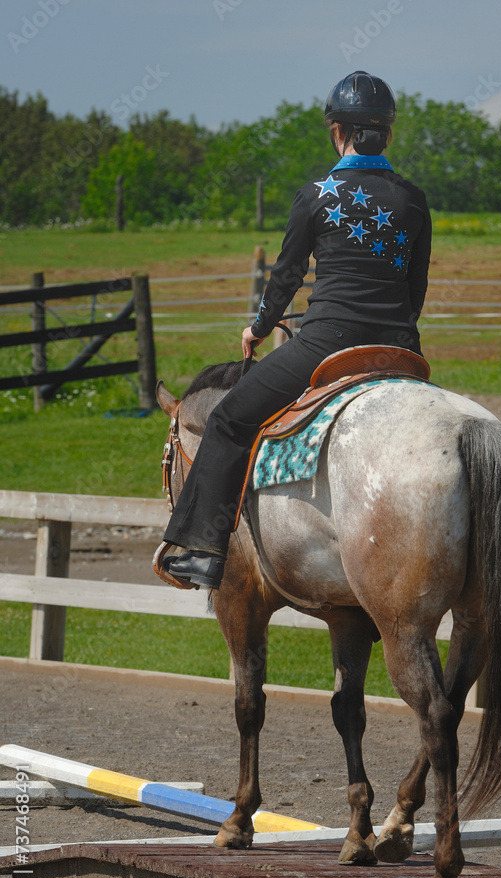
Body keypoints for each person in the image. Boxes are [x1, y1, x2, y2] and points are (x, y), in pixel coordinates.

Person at [162, 70, 432, 589]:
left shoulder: (316, 194)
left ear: (337, 132)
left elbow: (286, 276)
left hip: (326, 343)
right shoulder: (413, 198)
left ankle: (200, 552)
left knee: (228, 421)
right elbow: (414, 289)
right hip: (399, 349)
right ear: (388, 134)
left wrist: (259, 328)